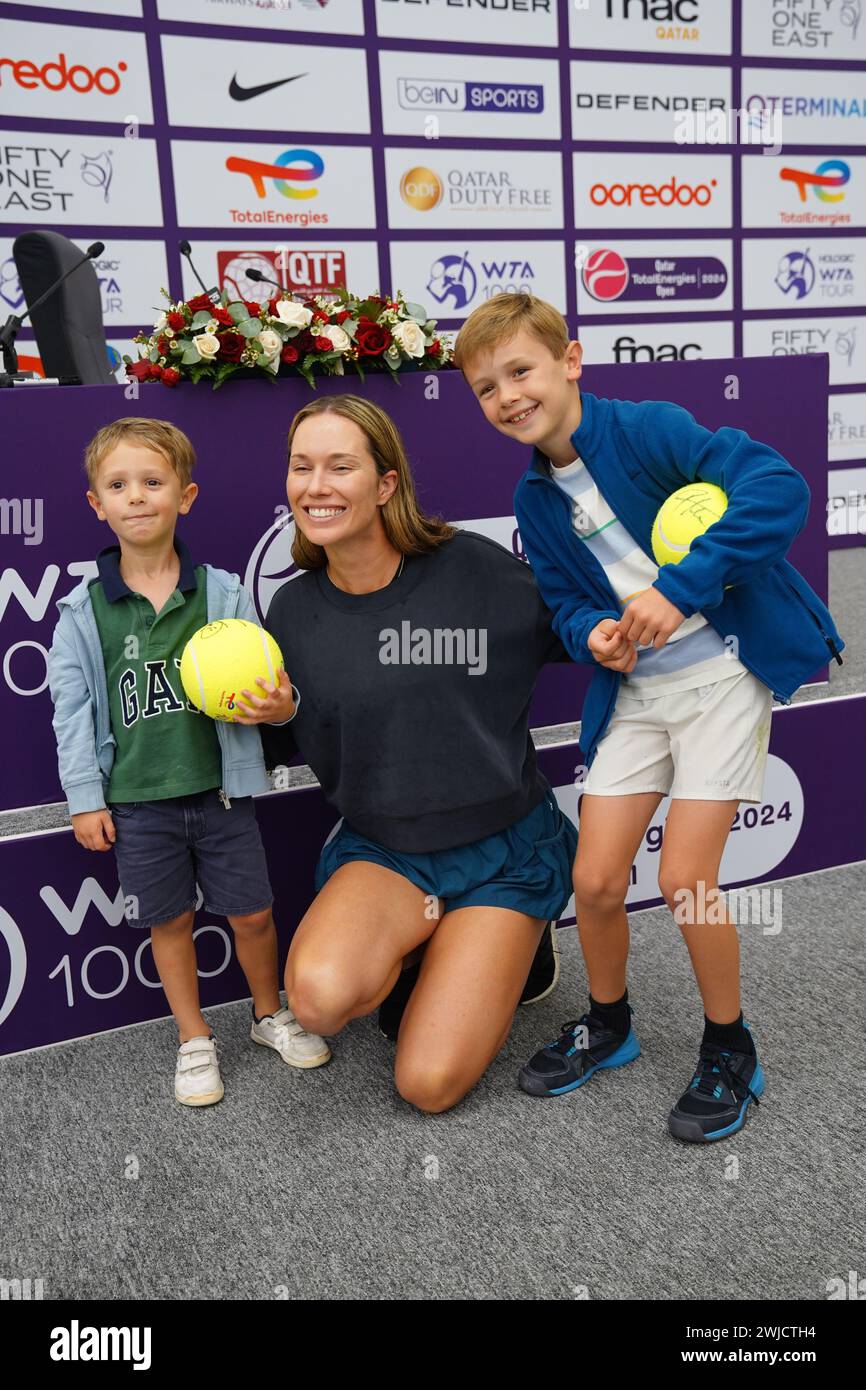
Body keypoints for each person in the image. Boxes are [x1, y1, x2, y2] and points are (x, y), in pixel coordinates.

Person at [455, 292, 845, 1142]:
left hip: (721, 678)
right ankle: (610, 1023)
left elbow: (778, 489)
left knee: (684, 882)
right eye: (487, 387)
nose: (508, 395)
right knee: (592, 881)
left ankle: (730, 1047)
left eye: (521, 370)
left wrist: (680, 588)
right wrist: (589, 632)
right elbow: (560, 602)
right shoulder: (533, 500)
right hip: (639, 694)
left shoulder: (648, 428)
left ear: (571, 361)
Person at [232, 394, 576, 1114]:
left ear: (386, 484)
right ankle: (432, 942)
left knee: (426, 1087)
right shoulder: (291, 609)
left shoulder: (470, 569)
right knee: (321, 1003)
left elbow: (578, 626)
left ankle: (518, 940)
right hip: (388, 850)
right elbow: (302, 736)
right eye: (302, 467)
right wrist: (279, 714)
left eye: (340, 466)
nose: (316, 486)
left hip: (503, 852)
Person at [47, 417, 329, 1107]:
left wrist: (282, 703)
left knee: (253, 915)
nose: (136, 496)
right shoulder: (83, 613)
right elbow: (72, 712)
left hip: (221, 796)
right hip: (138, 804)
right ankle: (193, 1037)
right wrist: (85, 797)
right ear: (96, 504)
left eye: (153, 481)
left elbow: (271, 684)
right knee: (168, 922)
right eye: (118, 485)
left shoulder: (223, 594)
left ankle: (268, 1014)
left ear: (186, 495)